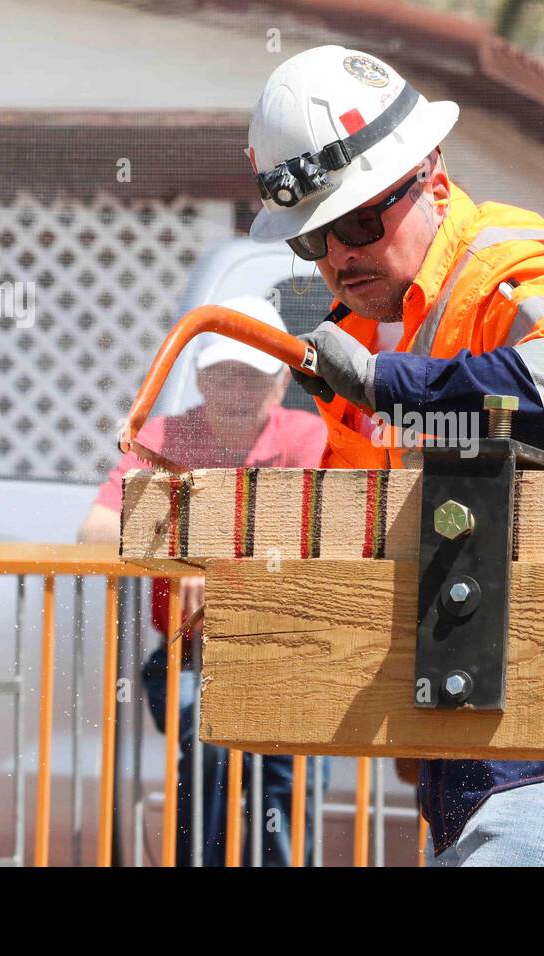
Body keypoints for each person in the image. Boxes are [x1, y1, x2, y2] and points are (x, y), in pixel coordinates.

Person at [246, 45, 544, 866]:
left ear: (431, 174)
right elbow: (369, 531)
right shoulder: (360, 338)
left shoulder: (514, 264)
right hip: (490, 736)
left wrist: (393, 385)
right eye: (312, 241)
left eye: (357, 224)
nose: (336, 259)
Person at [80, 294, 328, 866]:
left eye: (251, 378)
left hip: (293, 655)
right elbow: (92, 531)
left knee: (290, 754)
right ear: (198, 378)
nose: (237, 394)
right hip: (189, 657)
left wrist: (222, 569)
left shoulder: (310, 440)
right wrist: (195, 557)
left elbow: (339, 540)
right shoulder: (165, 437)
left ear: (279, 384)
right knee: (211, 737)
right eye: (223, 377)